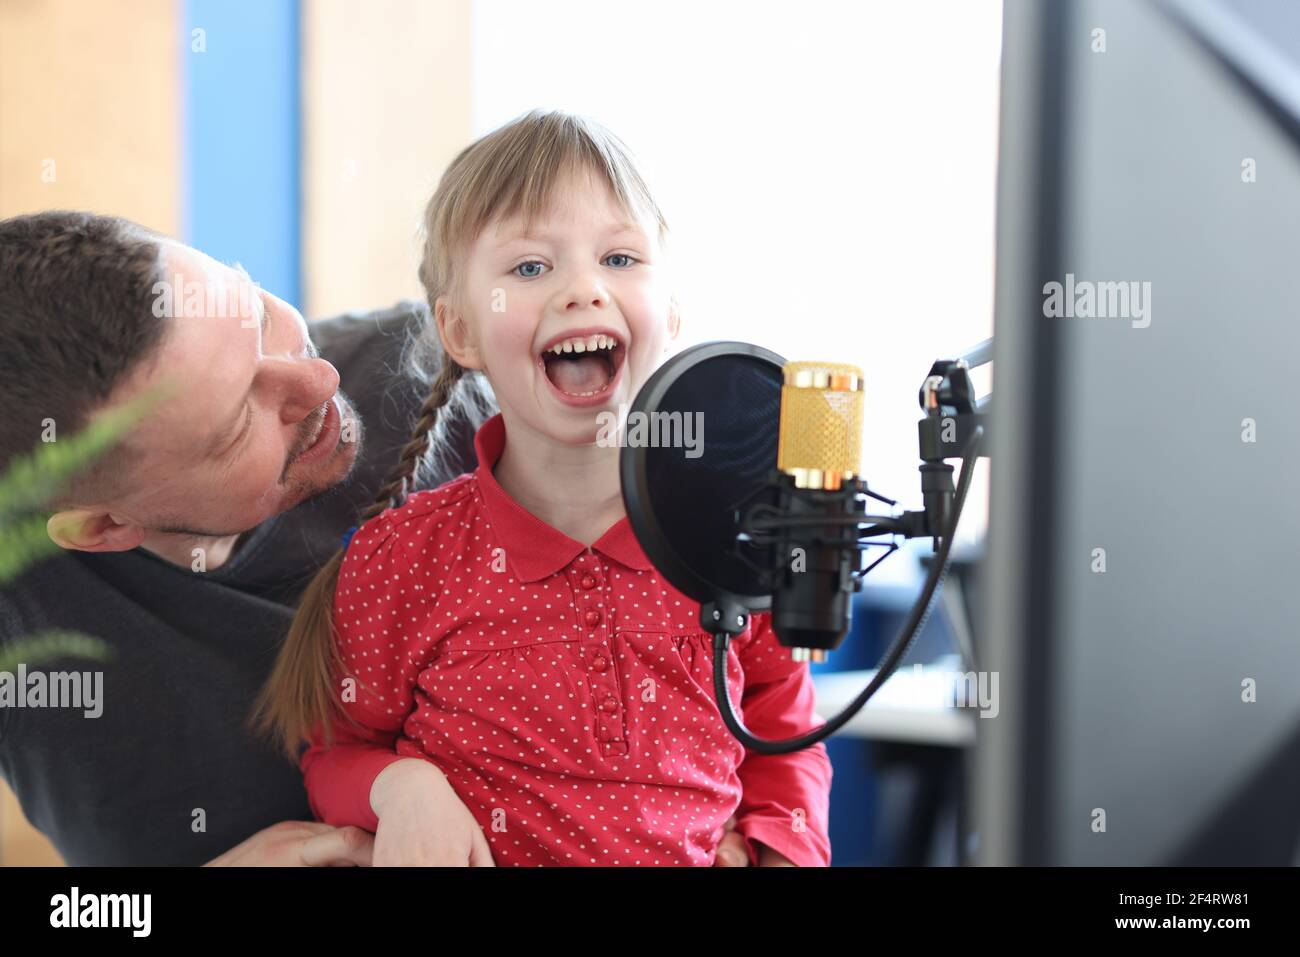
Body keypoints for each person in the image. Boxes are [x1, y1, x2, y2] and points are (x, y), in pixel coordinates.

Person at [0, 208, 757, 868]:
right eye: (240, 426)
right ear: (103, 527)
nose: (318, 382)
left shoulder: (441, 372)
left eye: (259, 311)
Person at [257, 110, 833, 866]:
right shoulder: (401, 560)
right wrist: (399, 785)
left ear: (675, 312)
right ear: (459, 330)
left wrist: (780, 849)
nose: (584, 289)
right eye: (531, 268)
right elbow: (334, 751)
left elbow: (785, 738)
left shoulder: (738, 537)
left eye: (621, 258)